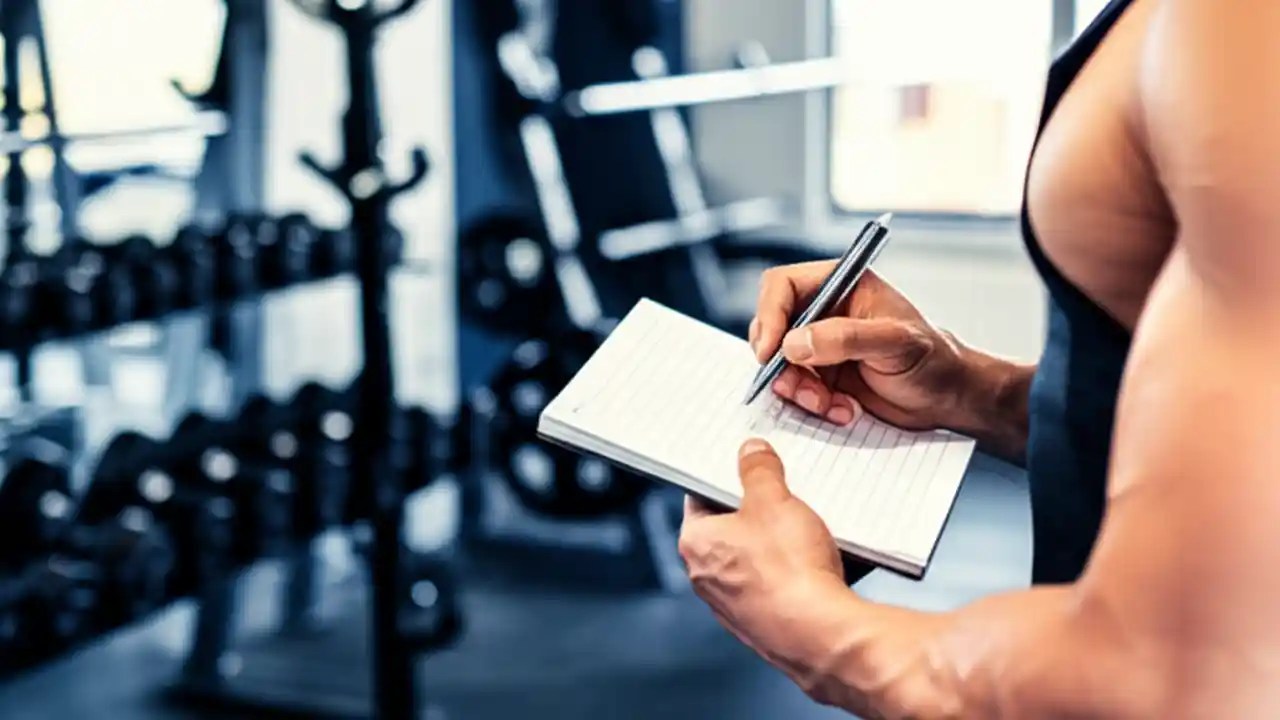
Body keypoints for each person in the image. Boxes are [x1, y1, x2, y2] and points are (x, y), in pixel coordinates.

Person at [678, 0, 1280, 716]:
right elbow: (1216, 443)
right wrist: (971, 391)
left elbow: (1175, 682)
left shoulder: (1239, 27)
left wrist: (812, 629)